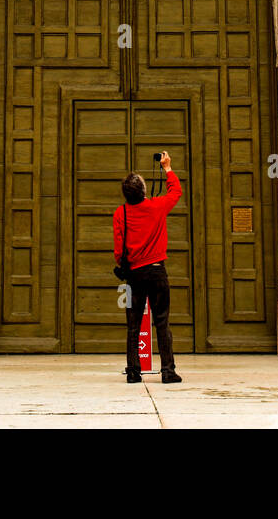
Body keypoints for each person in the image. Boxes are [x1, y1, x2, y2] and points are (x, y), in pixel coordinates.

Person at [113, 150, 182, 384]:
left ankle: (133, 371)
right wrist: (167, 168)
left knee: (133, 324)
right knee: (162, 321)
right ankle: (168, 371)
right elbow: (176, 192)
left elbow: (118, 251)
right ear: (143, 191)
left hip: (134, 275)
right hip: (156, 271)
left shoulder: (120, 213)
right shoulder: (157, 207)